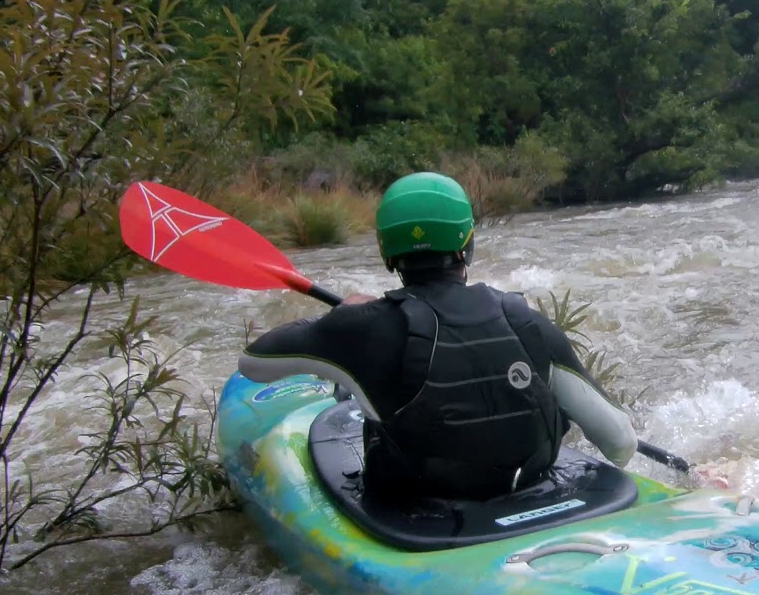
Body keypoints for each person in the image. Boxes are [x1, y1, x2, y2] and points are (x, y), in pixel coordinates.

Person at [238, 172, 638, 501]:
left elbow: (253, 364)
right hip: (528, 491)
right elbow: (620, 443)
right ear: (467, 243)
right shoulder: (524, 319)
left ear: (386, 250)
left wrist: (343, 318)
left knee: (354, 393)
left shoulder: (359, 327)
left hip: (419, 514)